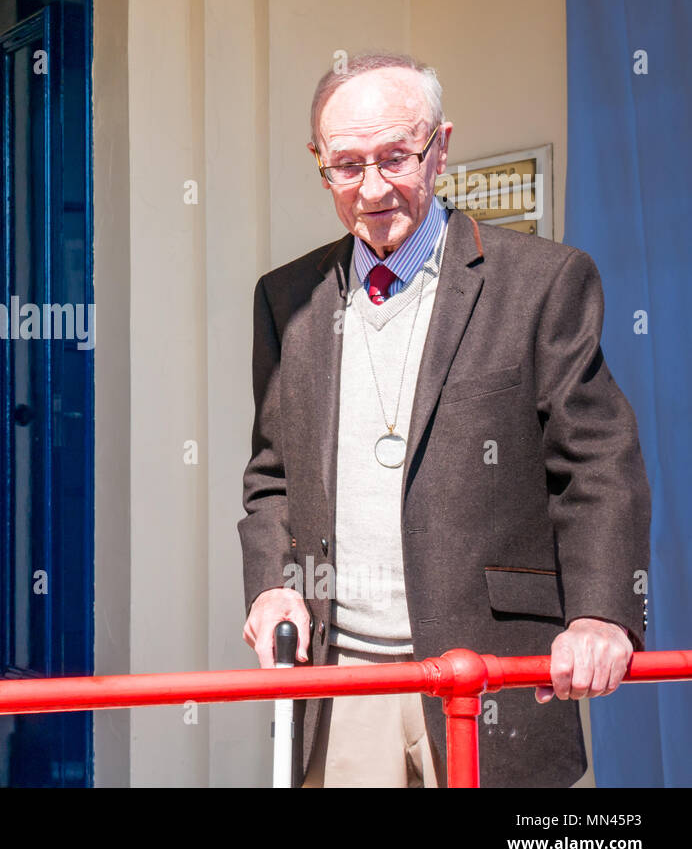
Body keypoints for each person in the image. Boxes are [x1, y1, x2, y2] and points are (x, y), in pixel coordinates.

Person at [237, 52, 649, 788]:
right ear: (320, 164)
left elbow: (598, 465)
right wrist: (272, 584)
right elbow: (271, 477)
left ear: (441, 147)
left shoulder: (544, 282)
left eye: (395, 157)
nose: (371, 188)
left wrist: (601, 616)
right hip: (342, 687)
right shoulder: (286, 298)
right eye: (346, 165)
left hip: (492, 678)